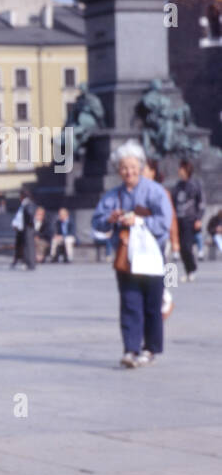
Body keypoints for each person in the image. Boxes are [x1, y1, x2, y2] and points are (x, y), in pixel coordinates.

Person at [91, 141, 173, 367]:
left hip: (152, 257)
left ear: (141, 166)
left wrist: (140, 221)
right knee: (129, 303)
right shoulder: (112, 195)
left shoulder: (155, 191)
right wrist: (111, 218)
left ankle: (150, 348)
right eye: (124, 167)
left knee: (152, 305)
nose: (129, 171)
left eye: (133, 167)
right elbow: (97, 221)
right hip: (126, 257)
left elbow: (164, 223)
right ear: (118, 169)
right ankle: (130, 349)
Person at [171, 161, 204, 281]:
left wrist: (199, 219)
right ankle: (188, 270)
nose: (179, 171)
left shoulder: (194, 185)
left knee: (186, 246)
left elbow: (200, 203)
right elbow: (173, 201)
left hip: (189, 219)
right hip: (178, 219)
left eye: (181, 169)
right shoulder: (178, 185)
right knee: (181, 247)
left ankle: (192, 269)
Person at [10, 188, 37, 269]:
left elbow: (29, 215)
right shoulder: (25, 204)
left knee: (29, 246)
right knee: (26, 246)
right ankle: (27, 262)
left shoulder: (28, 204)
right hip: (25, 228)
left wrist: (30, 224)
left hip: (28, 227)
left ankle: (31, 263)